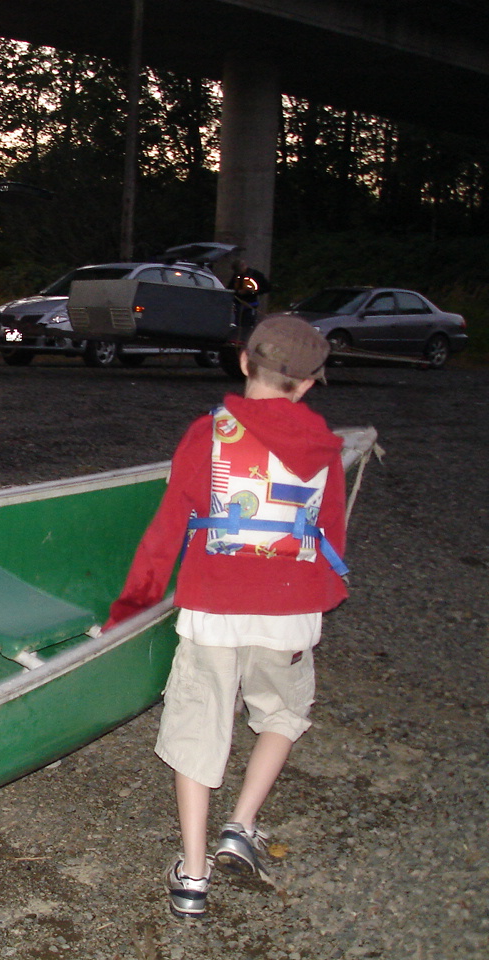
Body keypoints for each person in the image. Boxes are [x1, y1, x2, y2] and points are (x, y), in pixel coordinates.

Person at [104, 315, 348, 919]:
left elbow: (165, 532)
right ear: (311, 383)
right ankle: (240, 825)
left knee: (198, 727)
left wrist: (131, 606)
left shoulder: (207, 434)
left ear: (243, 363)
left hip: (214, 612)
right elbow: (333, 535)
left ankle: (192, 873)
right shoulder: (326, 448)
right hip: (290, 611)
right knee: (284, 712)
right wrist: (324, 592)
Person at [228, 258, 271, 332]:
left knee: (248, 325)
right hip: (238, 305)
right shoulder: (236, 276)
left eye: (239, 271)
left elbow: (268, 288)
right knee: (237, 325)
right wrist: (237, 292)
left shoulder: (257, 275)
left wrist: (253, 291)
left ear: (243, 266)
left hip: (251, 305)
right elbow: (230, 289)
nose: (239, 273)